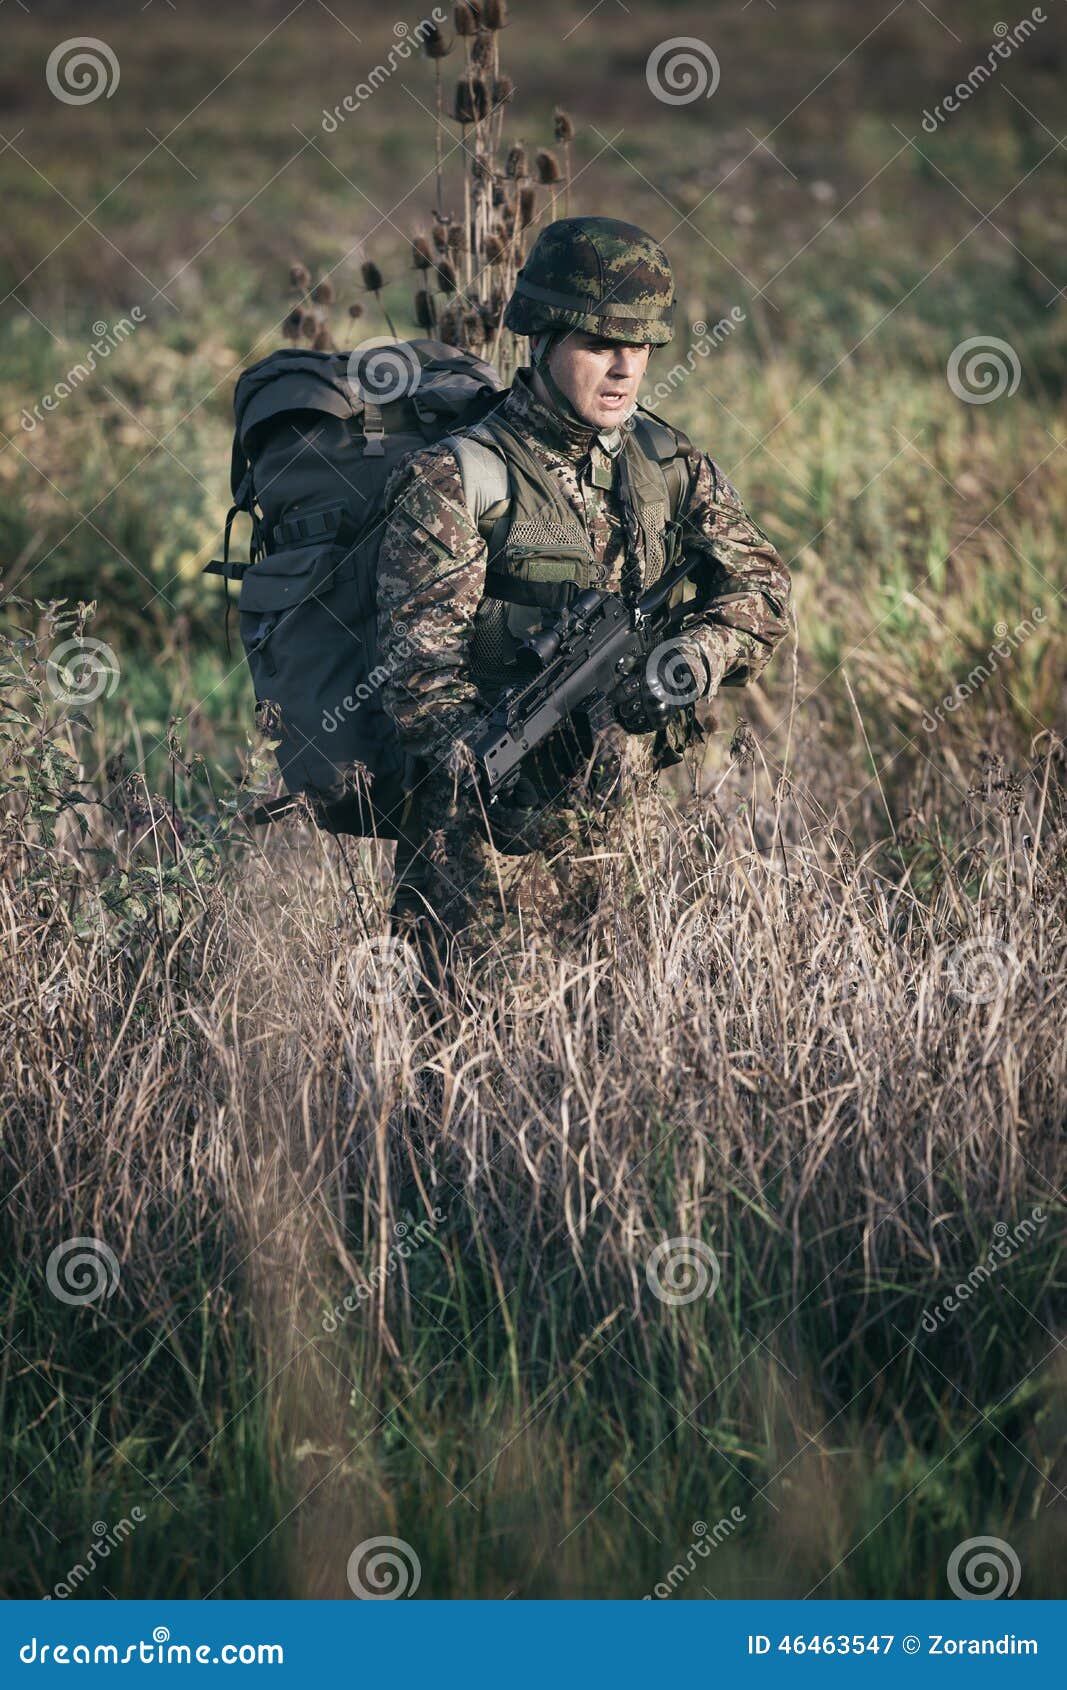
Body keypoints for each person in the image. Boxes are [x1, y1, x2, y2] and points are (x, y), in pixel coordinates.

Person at [375, 216, 791, 970]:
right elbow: (416, 682)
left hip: (630, 854)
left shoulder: (666, 462)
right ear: (540, 342)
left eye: (639, 347)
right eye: (599, 345)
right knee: (473, 1073)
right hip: (483, 867)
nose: (624, 369)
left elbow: (761, 585)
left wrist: (693, 657)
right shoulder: (459, 479)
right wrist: (491, 773)